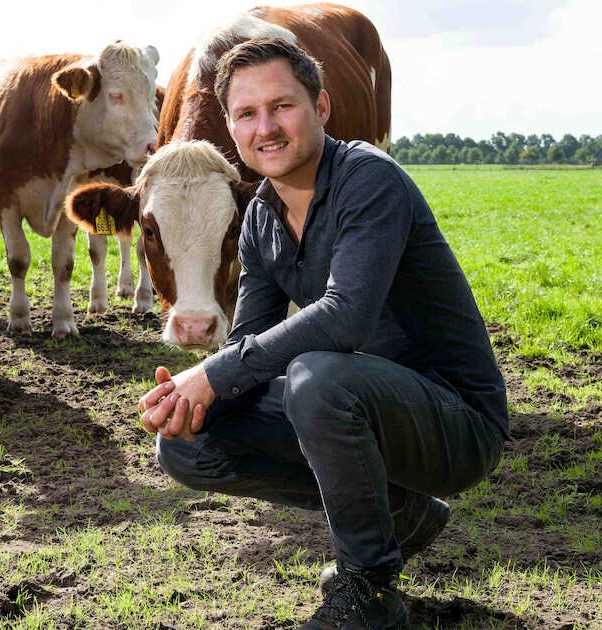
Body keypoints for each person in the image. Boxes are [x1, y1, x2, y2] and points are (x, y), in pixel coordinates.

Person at [138, 38, 508, 630]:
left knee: (318, 378)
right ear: (230, 129)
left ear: (323, 107)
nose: (266, 128)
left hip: (455, 422)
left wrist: (211, 372)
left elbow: (346, 317)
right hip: (365, 412)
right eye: (247, 113)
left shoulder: (369, 178)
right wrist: (189, 401)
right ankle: (402, 513)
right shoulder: (260, 218)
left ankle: (369, 593)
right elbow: (247, 349)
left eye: (282, 106)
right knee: (187, 444)